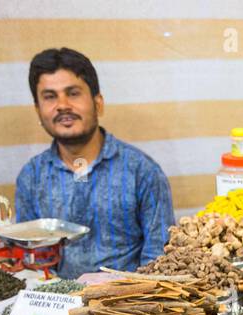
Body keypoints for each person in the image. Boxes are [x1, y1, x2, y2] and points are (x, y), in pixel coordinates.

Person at [15, 48, 173, 278]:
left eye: (73, 93)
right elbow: (30, 260)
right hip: (54, 305)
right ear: (38, 111)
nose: (62, 105)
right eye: (50, 97)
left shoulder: (142, 171)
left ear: (98, 104)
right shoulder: (31, 177)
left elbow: (160, 258)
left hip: (128, 306)